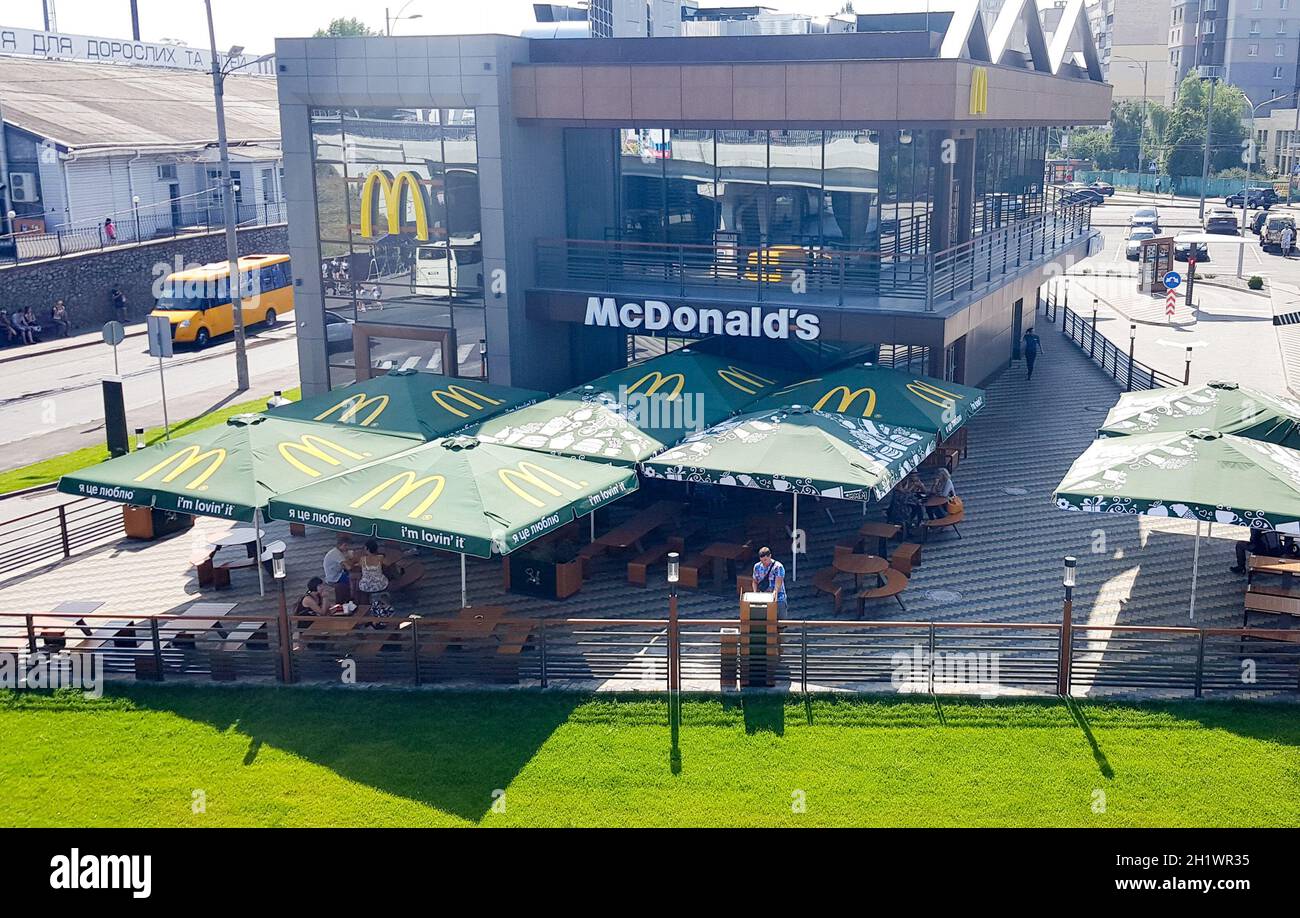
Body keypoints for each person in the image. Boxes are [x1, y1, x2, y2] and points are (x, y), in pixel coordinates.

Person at [751, 546, 788, 618]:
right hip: (764, 597)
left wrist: (775, 593)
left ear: (770, 556)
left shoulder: (778, 567)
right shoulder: (757, 567)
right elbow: (755, 581)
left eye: (765, 560)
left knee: (781, 621)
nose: (764, 562)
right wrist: (755, 593)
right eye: (762, 560)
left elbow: (778, 582)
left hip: (779, 598)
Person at [322, 533, 355, 601]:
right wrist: (351, 561)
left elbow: (352, 556)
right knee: (353, 579)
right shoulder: (336, 554)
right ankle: (352, 597)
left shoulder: (340, 552)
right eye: (345, 546)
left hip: (338, 573)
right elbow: (349, 567)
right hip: (334, 577)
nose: (347, 548)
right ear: (340, 545)